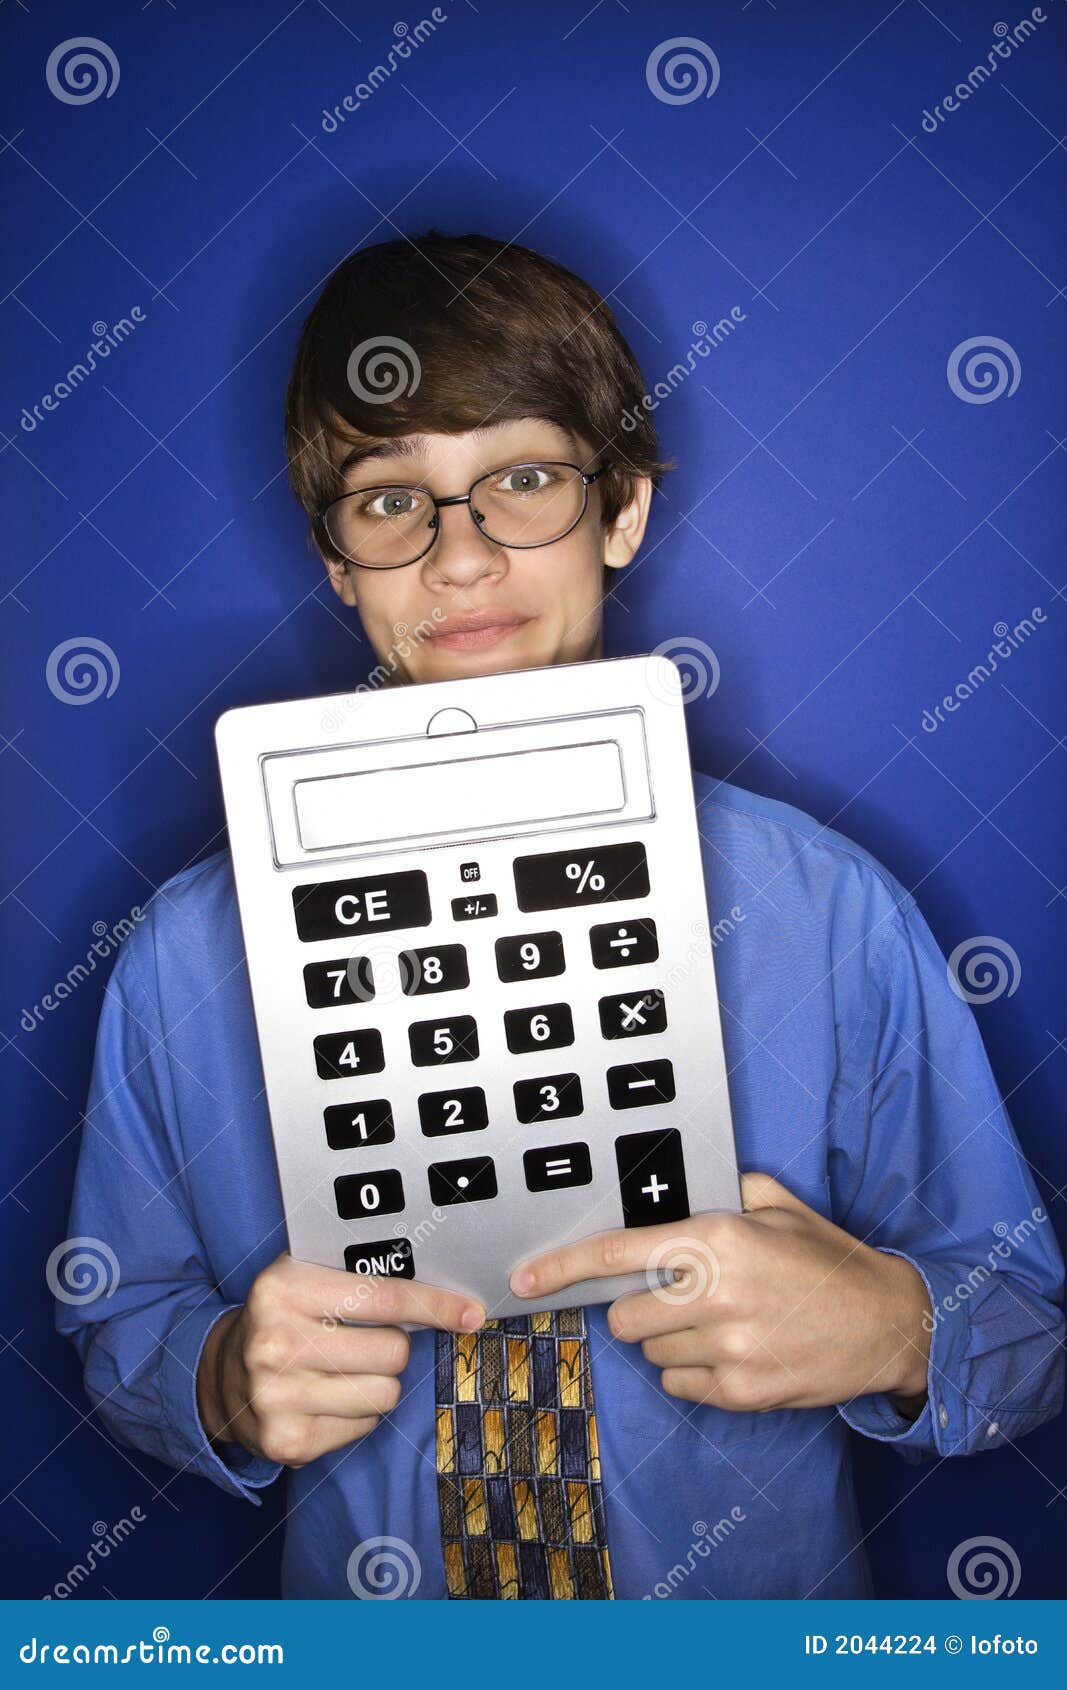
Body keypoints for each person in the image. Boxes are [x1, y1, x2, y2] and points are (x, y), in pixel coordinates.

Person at [56, 230, 1064, 1601]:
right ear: (337, 560)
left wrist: (899, 1327)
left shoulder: (830, 914)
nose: (460, 558)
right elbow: (122, 1316)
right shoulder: (179, 955)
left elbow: (1027, 1321)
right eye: (390, 499)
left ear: (625, 509)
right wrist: (219, 1376)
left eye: (521, 481)